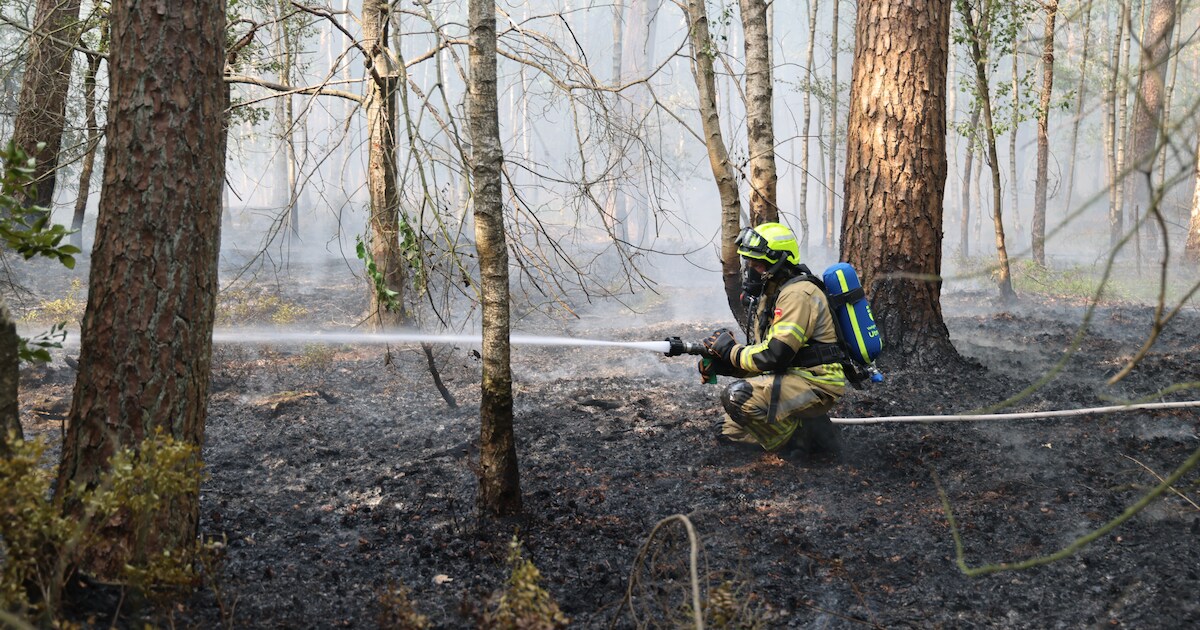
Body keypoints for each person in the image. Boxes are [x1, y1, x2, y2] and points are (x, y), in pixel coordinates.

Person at [700, 222, 846, 457]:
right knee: (727, 431)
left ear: (779, 263)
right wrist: (725, 364)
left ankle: (808, 442)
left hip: (816, 383)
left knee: (738, 398)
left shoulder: (798, 294)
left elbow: (775, 355)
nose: (751, 271)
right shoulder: (773, 295)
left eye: (757, 264)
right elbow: (765, 356)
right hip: (792, 376)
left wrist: (732, 352)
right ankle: (807, 427)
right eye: (749, 263)